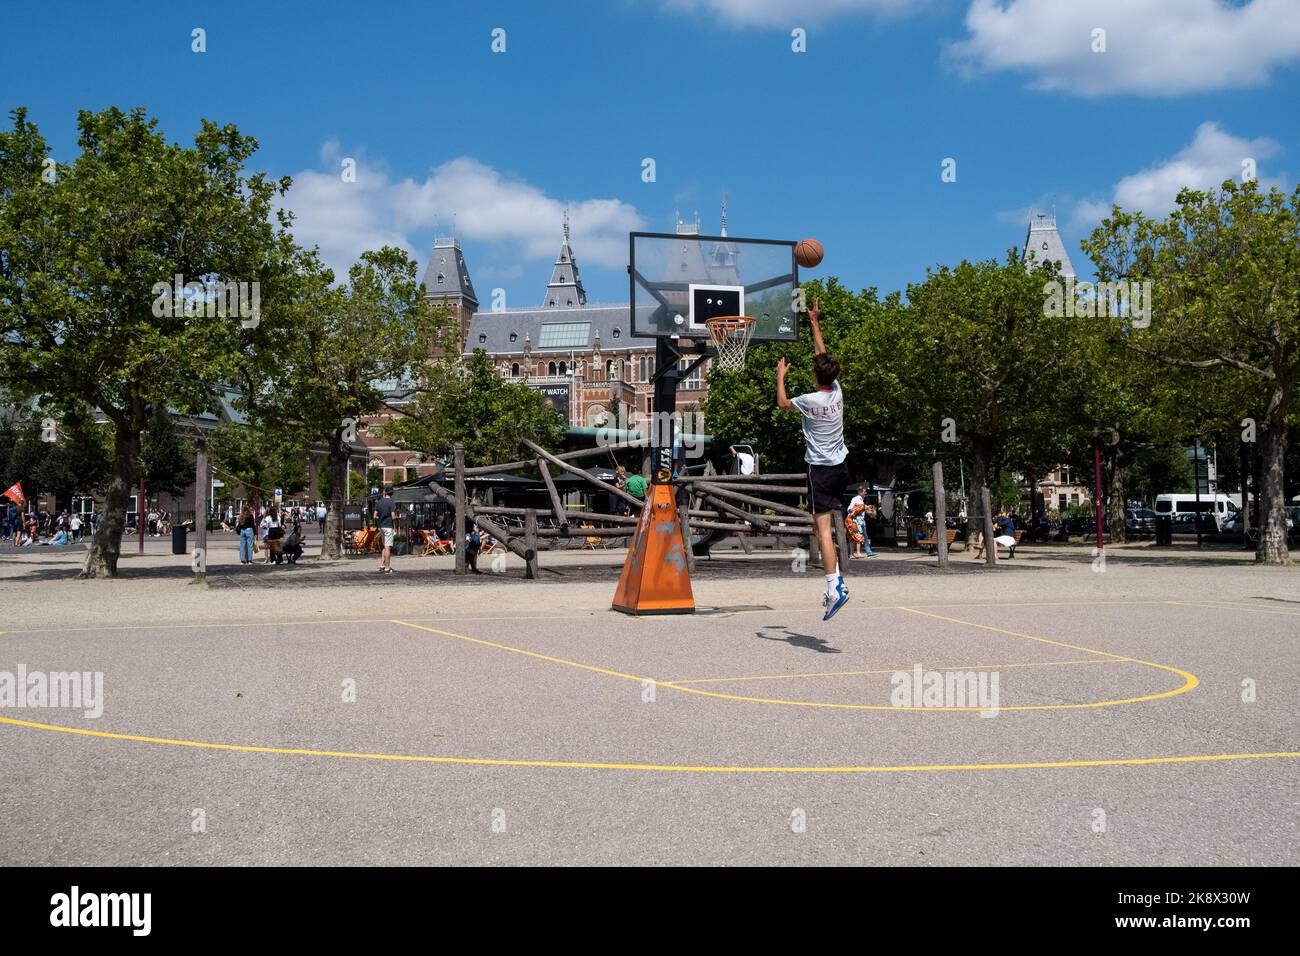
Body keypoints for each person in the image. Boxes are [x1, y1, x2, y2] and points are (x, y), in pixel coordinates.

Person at [776, 296, 850, 620]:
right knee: (829, 526)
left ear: (814, 375)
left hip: (818, 469)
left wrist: (780, 376)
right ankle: (836, 581)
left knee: (822, 530)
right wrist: (814, 321)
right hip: (841, 466)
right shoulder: (837, 392)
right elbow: (823, 356)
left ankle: (835, 587)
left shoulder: (808, 399)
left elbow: (781, 404)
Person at [847, 485, 876, 558]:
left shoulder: (862, 500)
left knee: (864, 536)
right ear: (860, 492)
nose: (865, 493)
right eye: (864, 491)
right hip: (856, 520)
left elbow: (862, 509)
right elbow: (850, 508)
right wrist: (852, 512)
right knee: (856, 536)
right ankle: (854, 553)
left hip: (862, 520)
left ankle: (867, 552)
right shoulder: (855, 499)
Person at [375, 488, 395, 574]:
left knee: (384, 546)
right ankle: (387, 567)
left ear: (385, 493)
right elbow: (393, 516)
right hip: (388, 526)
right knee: (387, 547)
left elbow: (374, 515)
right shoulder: (391, 502)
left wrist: (380, 518)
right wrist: (398, 517)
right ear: (392, 494)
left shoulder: (379, 502)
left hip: (381, 526)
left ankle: (382, 565)